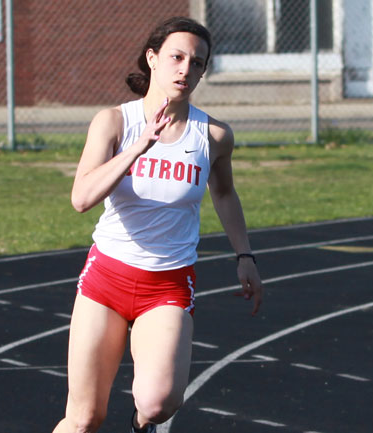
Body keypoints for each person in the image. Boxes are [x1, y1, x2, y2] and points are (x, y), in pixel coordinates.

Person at [53, 17, 263, 433]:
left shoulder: (213, 135)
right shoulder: (114, 122)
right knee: (84, 419)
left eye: (197, 63)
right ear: (152, 58)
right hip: (107, 279)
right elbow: (81, 199)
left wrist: (245, 256)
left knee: (159, 403)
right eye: (177, 57)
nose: (186, 69)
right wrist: (138, 147)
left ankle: (141, 424)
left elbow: (224, 194)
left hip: (167, 284)